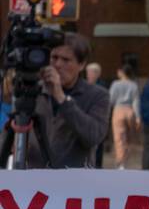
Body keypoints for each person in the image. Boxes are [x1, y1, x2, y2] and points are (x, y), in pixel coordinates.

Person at [14, 33, 110, 169]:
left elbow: (93, 137)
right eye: (54, 58)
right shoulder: (34, 91)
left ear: (81, 64)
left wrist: (61, 98)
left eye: (66, 60)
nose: (58, 64)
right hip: (35, 179)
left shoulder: (98, 95)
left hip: (74, 181)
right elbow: (11, 134)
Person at [107, 64, 140, 169]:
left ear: (121, 72)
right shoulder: (133, 85)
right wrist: (138, 116)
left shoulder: (116, 84)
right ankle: (125, 159)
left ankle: (121, 163)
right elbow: (136, 101)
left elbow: (110, 99)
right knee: (129, 138)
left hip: (118, 110)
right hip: (130, 111)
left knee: (119, 138)